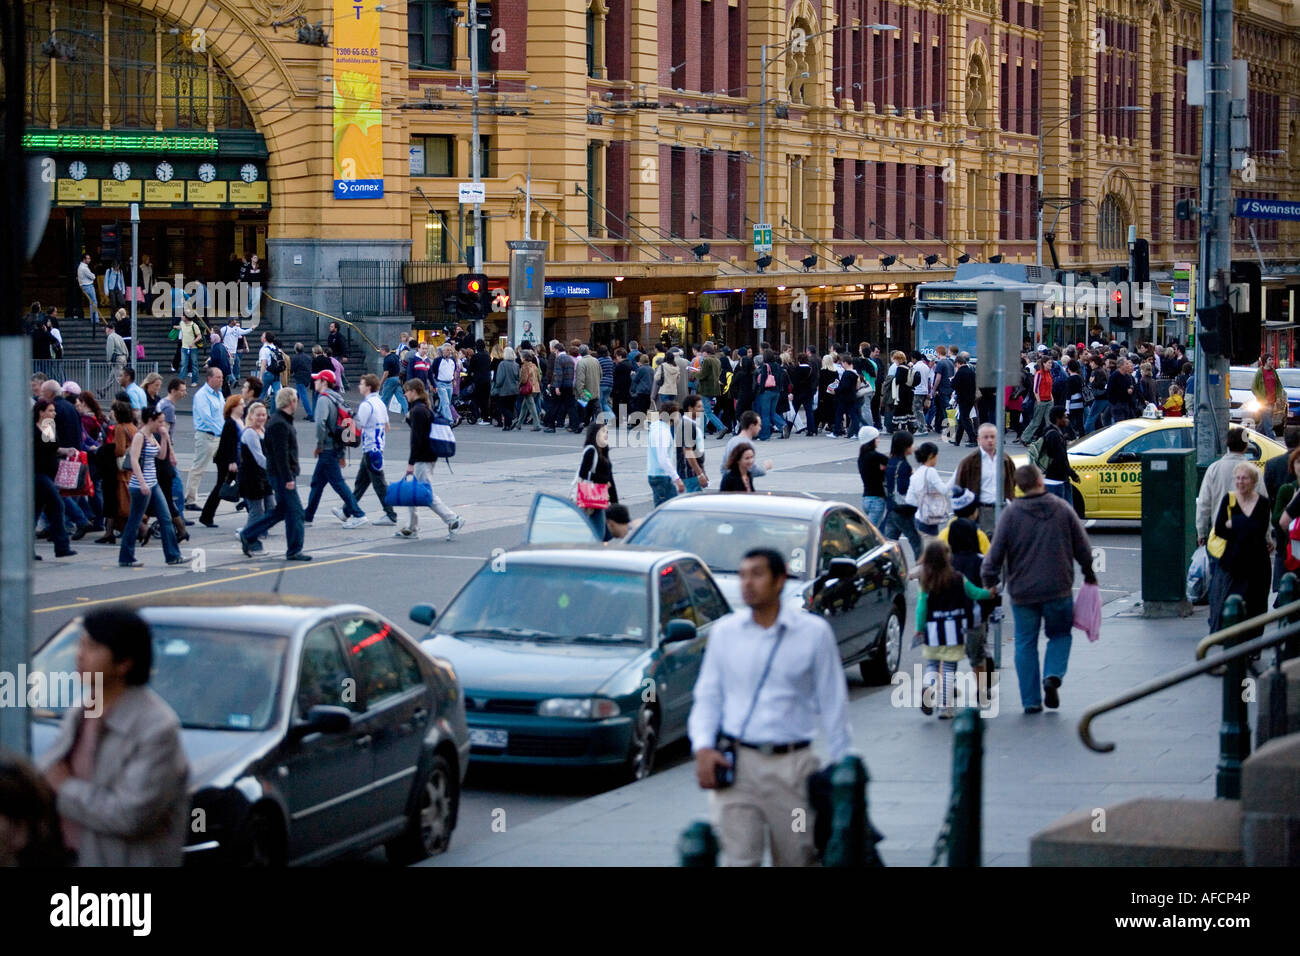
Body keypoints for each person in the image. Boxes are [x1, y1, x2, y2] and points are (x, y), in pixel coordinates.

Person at [688, 548, 852, 867]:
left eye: (757, 574)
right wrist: (703, 747)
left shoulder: (812, 634)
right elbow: (708, 695)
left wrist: (844, 764)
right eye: (743, 575)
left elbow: (833, 702)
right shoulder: (725, 633)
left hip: (794, 771)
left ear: (779, 581)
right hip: (738, 770)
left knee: (798, 855)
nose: (747, 583)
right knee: (738, 858)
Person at [37, 606, 189, 865]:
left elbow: (130, 816)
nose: (81, 656)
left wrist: (65, 788)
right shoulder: (81, 710)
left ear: (124, 663)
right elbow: (50, 773)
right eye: (81, 645)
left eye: (93, 648)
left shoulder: (156, 728)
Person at [981, 464, 1097, 714]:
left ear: (1018, 488)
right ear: (1040, 482)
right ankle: (1052, 675)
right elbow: (1082, 547)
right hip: (1058, 588)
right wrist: (1088, 572)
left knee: (1025, 642)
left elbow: (994, 556)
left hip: (1023, 592)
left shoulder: (1011, 516)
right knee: (1060, 635)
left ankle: (1031, 701)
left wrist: (989, 583)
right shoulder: (1062, 508)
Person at [914, 539, 997, 719]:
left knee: (933, 665)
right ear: (947, 558)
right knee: (950, 668)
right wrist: (988, 593)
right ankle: (945, 707)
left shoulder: (926, 581)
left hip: (933, 632)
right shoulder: (958, 578)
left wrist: (919, 628)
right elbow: (974, 592)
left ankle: (928, 688)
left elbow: (921, 607)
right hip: (953, 631)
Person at [238, 389, 310, 560]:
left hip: (280, 474)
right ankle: (294, 550)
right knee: (296, 512)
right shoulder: (279, 423)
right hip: (281, 475)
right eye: (295, 400)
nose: (297, 403)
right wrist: (287, 478)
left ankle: (249, 534)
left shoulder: (280, 421)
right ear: (291, 401)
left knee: (281, 511)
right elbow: (280, 454)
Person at [395, 379, 464, 540]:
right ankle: (411, 527)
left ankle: (452, 518)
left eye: (406, 391)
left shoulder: (418, 411)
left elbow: (417, 439)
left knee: (425, 493)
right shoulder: (423, 409)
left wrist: (411, 463)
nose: (405, 394)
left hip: (423, 457)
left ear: (414, 391)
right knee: (414, 492)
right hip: (428, 455)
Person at [1208, 463, 1273, 632]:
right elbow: (1220, 528)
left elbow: (1259, 529)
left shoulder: (1263, 503)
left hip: (1258, 564)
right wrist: (1245, 528)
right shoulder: (1228, 500)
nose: (1240, 482)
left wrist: (1235, 523)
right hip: (1233, 564)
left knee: (1257, 605)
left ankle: (1254, 647)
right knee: (1233, 603)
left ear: (1253, 481)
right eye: (1237, 478)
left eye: (1244, 478)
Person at [117, 407, 184, 568]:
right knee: (135, 519)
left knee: (166, 518)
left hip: (153, 483)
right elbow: (134, 460)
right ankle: (126, 556)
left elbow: (161, 456)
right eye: (159, 421)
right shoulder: (140, 436)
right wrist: (141, 482)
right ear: (150, 420)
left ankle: (173, 555)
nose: (162, 424)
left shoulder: (152, 436)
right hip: (141, 485)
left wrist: (164, 438)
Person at [302, 370, 367, 528]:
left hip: (328, 448)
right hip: (336, 446)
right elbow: (343, 424)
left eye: (317, 380)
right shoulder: (337, 398)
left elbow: (320, 424)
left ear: (324, 382)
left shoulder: (324, 400)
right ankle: (307, 516)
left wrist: (319, 445)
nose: (314, 383)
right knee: (317, 483)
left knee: (337, 483)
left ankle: (358, 514)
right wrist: (341, 452)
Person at [952, 423, 1016, 538]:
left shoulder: (1005, 459)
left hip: (1004, 509)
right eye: (985, 437)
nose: (989, 440)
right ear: (979, 440)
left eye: (992, 437)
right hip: (982, 510)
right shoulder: (969, 462)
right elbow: (959, 486)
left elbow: (1013, 482)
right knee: (986, 547)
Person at [351, 373, 398, 526]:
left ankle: (390, 514)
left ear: (368, 387)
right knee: (361, 482)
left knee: (379, 483)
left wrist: (348, 424)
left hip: (371, 448)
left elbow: (357, 426)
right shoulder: (379, 403)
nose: (359, 386)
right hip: (378, 446)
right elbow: (387, 427)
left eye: (362, 384)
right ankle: (347, 510)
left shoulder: (366, 405)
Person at [33, 400, 78, 559]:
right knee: (57, 505)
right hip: (38, 474)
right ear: (41, 412)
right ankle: (62, 546)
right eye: (51, 411)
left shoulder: (48, 426)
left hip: (49, 474)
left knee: (36, 511)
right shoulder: (32, 430)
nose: (54, 413)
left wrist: (67, 450)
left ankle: (28, 550)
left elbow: (53, 448)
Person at [1196, 428, 1250, 547]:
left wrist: (1201, 532)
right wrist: (1267, 537)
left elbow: (1204, 503)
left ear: (1227, 444)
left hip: (1219, 537)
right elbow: (1263, 506)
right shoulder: (1253, 472)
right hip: (1246, 537)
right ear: (1246, 446)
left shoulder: (1214, 469)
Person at [198, 395, 245, 528]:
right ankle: (206, 515)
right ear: (233, 407)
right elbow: (228, 443)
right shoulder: (230, 423)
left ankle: (207, 515)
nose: (243, 406)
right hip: (227, 460)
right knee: (221, 486)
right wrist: (232, 461)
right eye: (241, 404)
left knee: (228, 485)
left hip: (236, 458)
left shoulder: (240, 420)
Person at [184, 366, 225, 510]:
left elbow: (222, 415)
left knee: (229, 466)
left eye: (222, 377)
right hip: (206, 436)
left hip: (219, 436)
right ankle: (190, 499)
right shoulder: (202, 395)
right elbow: (207, 418)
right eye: (218, 377)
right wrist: (222, 431)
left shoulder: (219, 394)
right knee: (199, 468)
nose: (221, 380)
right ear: (209, 379)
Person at [237, 401, 273, 551]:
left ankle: (255, 532)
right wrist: (275, 470)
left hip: (262, 477)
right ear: (251, 416)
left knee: (271, 507)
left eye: (263, 414)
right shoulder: (250, 432)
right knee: (256, 511)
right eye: (258, 415)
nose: (261, 417)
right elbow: (259, 458)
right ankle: (249, 537)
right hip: (251, 477)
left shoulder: (262, 430)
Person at [576, 419, 618, 539]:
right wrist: (604, 481)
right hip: (593, 497)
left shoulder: (604, 449)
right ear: (596, 434)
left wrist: (615, 502)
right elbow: (583, 474)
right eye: (603, 431)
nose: (606, 434)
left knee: (607, 534)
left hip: (602, 496)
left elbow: (610, 476)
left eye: (607, 432)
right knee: (600, 534)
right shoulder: (591, 450)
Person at [882, 429, 922, 556]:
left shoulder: (890, 461)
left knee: (887, 542)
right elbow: (903, 488)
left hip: (891, 507)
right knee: (916, 542)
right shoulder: (904, 465)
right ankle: (923, 573)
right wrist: (913, 477)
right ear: (905, 447)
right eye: (911, 444)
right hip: (903, 510)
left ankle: (883, 566)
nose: (913, 447)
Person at [1269, 447, 1300, 593]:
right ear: (1292, 466)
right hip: (1288, 550)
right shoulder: (1287, 490)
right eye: (1298, 462)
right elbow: (1277, 520)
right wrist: (1291, 504)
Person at [906, 441, 950, 538]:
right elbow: (944, 490)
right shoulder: (930, 471)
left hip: (918, 517)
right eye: (936, 455)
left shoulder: (917, 472)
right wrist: (957, 474)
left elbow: (909, 499)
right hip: (929, 518)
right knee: (932, 548)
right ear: (931, 456)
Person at [646, 402, 685, 505]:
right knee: (666, 508)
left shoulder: (657, 427)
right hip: (661, 476)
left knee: (667, 507)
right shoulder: (663, 432)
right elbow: (663, 458)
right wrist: (676, 478)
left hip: (656, 473)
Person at [678, 395, 709, 492]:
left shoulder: (691, 424)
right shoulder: (687, 425)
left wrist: (703, 472)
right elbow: (688, 452)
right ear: (690, 408)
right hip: (690, 474)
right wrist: (699, 474)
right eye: (699, 407)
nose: (702, 409)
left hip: (693, 473)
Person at [857, 425, 887, 527]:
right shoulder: (875, 456)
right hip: (876, 499)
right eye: (877, 438)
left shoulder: (862, 457)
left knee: (876, 529)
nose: (878, 440)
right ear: (871, 440)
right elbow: (891, 463)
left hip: (866, 498)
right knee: (871, 532)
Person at [1252, 355, 1286, 439]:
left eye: (1272, 359)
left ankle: (1254, 438)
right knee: (1268, 424)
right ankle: (1272, 441)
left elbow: (1279, 386)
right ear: (1265, 362)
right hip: (1264, 403)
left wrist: (1278, 397)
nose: (1272, 361)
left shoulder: (1274, 371)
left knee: (1264, 423)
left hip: (1272, 402)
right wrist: (1262, 399)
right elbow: (1253, 388)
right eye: (1270, 360)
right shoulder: (1260, 372)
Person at [492, 347, 520, 431]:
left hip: (504, 389)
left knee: (501, 407)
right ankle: (508, 425)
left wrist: (496, 385)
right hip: (514, 389)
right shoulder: (516, 364)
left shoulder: (502, 364)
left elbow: (500, 379)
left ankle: (512, 418)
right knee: (510, 407)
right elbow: (518, 377)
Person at [378, 343, 406, 418]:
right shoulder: (395, 356)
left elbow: (386, 373)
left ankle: (380, 415)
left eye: (381, 351)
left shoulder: (387, 360)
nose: (381, 353)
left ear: (384, 351)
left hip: (390, 380)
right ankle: (408, 413)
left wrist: (380, 383)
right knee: (401, 398)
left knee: (385, 398)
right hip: (398, 379)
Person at [291, 343, 316, 421]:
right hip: (307, 377)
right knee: (297, 394)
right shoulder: (308, 357)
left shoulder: (295, 358)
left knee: (303, 395)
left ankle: (310, 413)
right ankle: (291, 409)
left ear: (296, 349)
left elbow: (292, 369)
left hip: (299, 377)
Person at [257, 331, 284, 400]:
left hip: (267, 373)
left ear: (265, 339)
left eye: (262, 336)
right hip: (276, 373)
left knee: (261, 393)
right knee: (277, 394)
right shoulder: (276, 348)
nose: (261, 337)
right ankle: (274, 409)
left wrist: (260, 376)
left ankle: (256, 408)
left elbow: (263, 363)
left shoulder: (264, 349)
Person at [76, 254, 100, 325]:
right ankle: (95, 319)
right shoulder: (84, 268)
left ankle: (94, 318)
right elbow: (92, 277)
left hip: (85, 285)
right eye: (88, 258)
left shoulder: (81, 267)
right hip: (88, 285)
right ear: (84, 259)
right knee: (94, 302)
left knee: (92, 303)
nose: (89, 260)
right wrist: (93, 275)